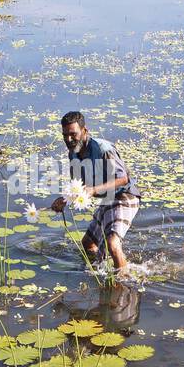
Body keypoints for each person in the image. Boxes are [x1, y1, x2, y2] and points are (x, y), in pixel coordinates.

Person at [49, 111, 141, 274]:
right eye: (65, 135)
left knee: (112, 243)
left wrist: (94, 190)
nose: (68, 140)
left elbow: (123, 179)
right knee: (88, 244)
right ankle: (101, 270)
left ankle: (124, 283)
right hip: (107, 199)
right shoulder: (73, 153)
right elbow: (78, 186)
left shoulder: (103, 149)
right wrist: (64, 200)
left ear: (85, 131)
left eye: (73, 134)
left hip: (124, 197)